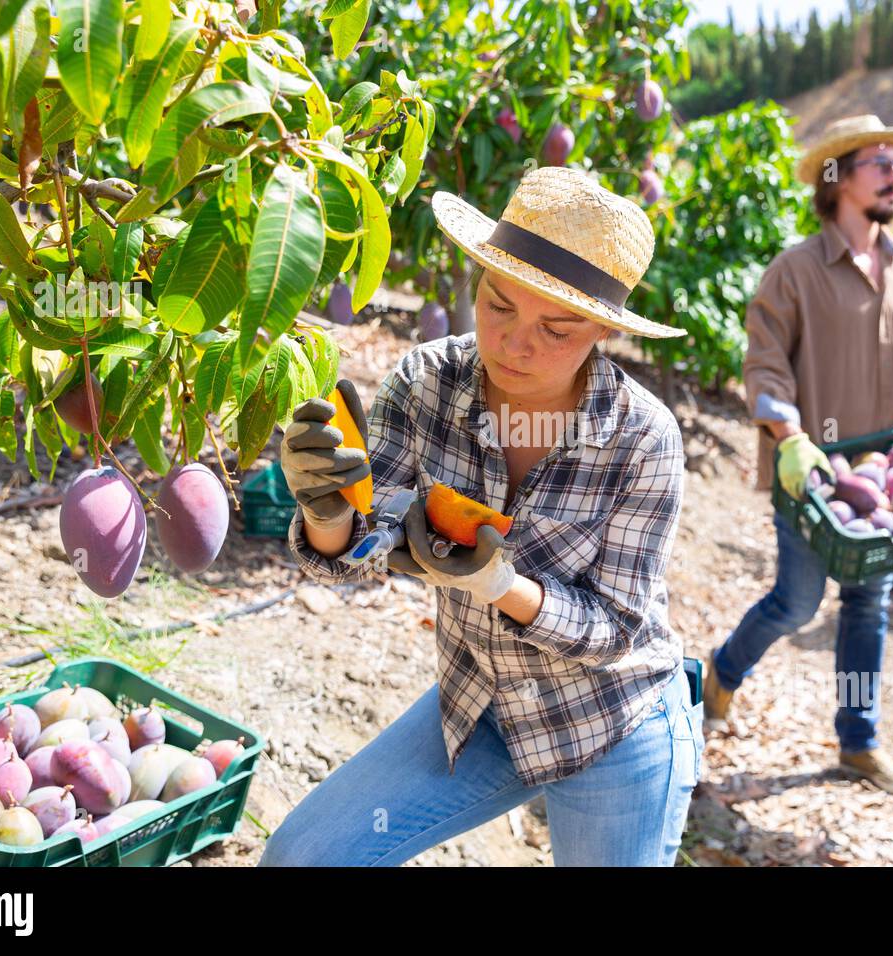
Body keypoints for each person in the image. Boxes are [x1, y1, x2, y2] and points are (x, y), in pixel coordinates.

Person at [259, 166, 703, 867]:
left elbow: (619, 629)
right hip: (481, 704)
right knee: (301, 858)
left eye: (556, 328)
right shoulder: (426, 383)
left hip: (612, 723)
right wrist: (326, 511)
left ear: (603, 333)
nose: (513, 344)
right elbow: (362, 541)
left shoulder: (642, 437)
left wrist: (500, 587)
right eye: (498, 305)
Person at [702, 115, 893, 800]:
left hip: (890, 480)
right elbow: (764, 368)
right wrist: (789, 435)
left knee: (868, 607)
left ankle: (858, 742)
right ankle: (722, 671)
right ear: (838, 177)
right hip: (813, 474)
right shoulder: (795, 272)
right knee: (796, 603)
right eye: (880, 162)